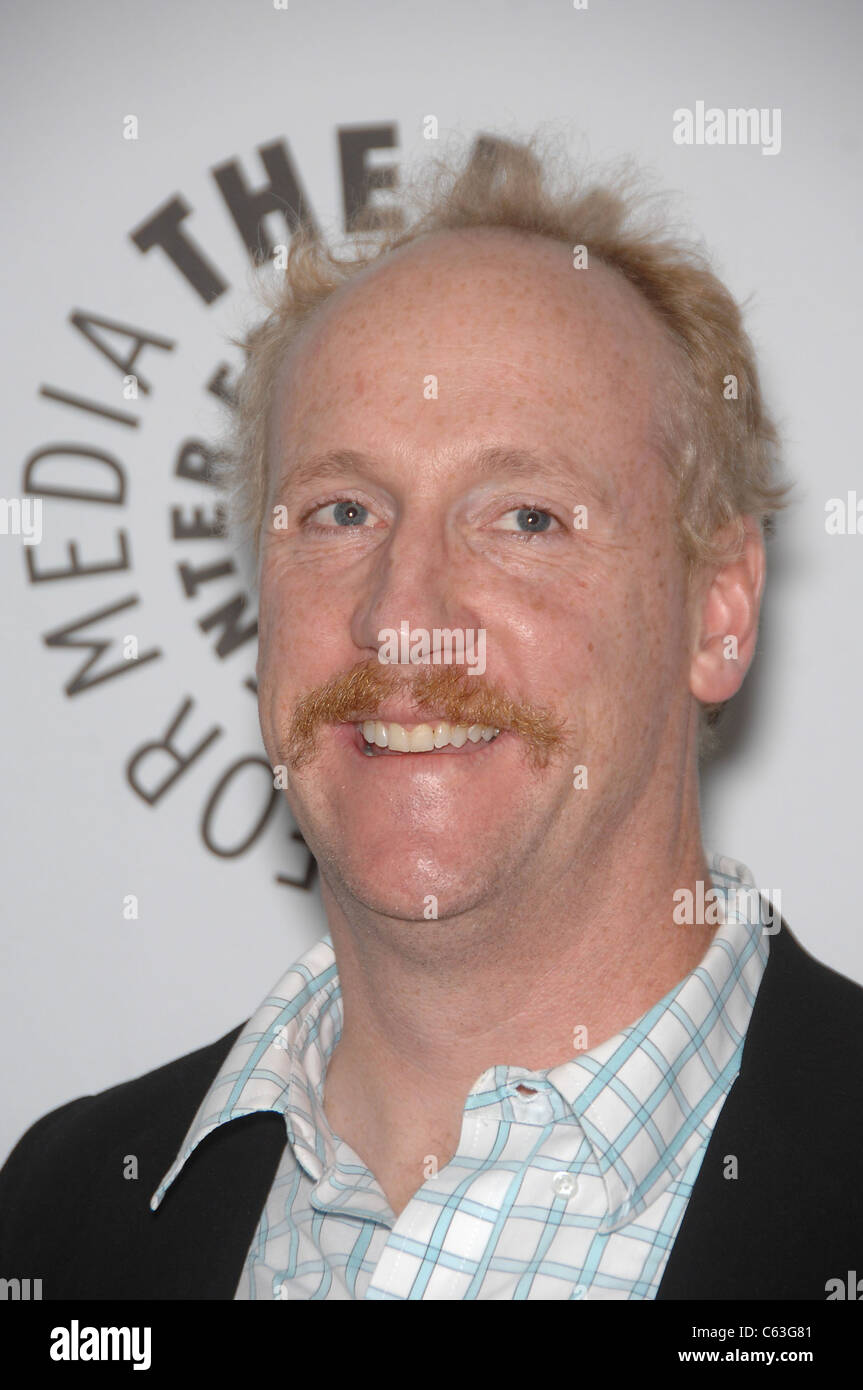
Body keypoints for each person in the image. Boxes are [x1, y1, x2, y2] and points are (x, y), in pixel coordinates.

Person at [2, 133, 861, 1301]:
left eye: (522, 520)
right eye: (343, 510)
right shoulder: (59, 1211)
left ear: (717, 610)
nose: (400, 617)